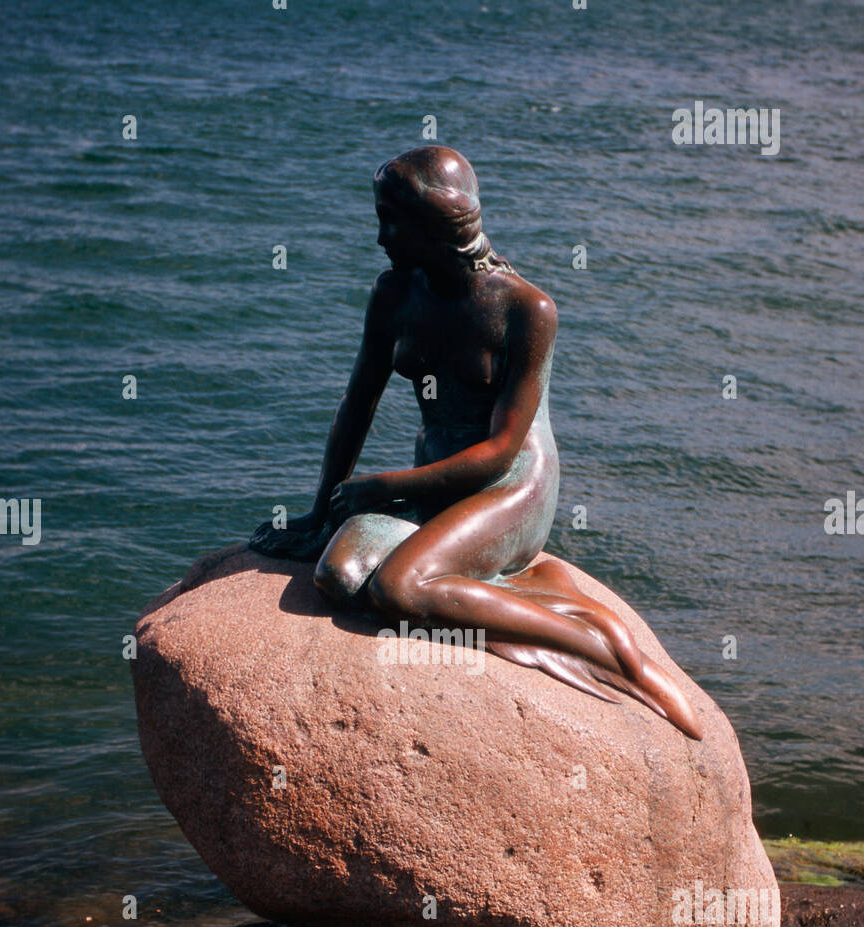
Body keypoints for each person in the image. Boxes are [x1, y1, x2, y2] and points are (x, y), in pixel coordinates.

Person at [250, 145, 702, 739]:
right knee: (340, 572)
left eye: (393, 220)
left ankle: (607, 649)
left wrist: (384, 487)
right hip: (437, 477)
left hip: (510, 484)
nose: (381, 236)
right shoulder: (395, 294)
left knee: (399, 586)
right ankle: (513, 588)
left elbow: (501, 451)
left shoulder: (526, 308)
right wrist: (320, 508)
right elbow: (357, 403)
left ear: (436, 225)